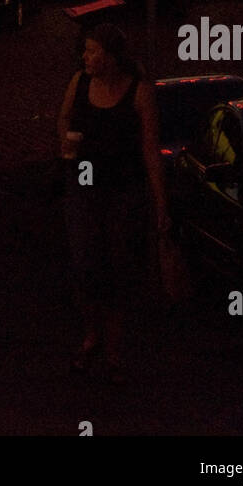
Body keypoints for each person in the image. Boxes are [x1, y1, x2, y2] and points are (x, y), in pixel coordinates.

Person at [57, 21, 169, 384]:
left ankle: (113, 347)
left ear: (111, 56)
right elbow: (64, 118)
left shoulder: (138, 92)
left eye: (92, 51)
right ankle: (91, 334)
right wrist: (66, 143)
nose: (86, 57)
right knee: (86, 261)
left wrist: (160, 203)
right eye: (85, 50)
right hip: (85, 188)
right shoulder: (80, 82)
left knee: (119, 264)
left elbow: (150, 148)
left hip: (123, 190)